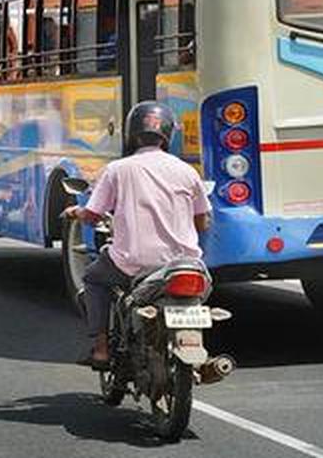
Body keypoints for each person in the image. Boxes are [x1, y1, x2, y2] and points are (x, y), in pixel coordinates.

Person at [63, 101, 212, 369]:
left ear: (131, 133)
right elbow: (203, 222)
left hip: (133, 263)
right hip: (184, 264)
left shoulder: (117, 170)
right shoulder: (188, 172)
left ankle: (100, 350)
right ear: (169, 134)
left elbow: (94, 215)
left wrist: (76, 211)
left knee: (93, 280)